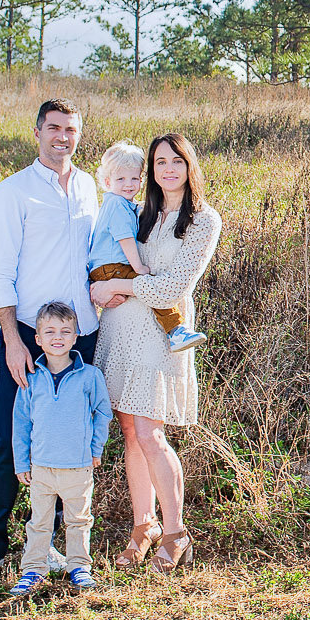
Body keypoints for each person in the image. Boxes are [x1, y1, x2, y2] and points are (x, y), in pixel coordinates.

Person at [0, 98, 99, 585]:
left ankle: (52, 547)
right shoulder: (12, 192)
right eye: (54, 128)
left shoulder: (88, 188)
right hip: (31, 339)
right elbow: (1, 273)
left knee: (68, 444)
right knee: (10, 440)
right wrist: (14, 340)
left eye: (71, 129)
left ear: (79, 135)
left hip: (80, 338)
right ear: (37, 132)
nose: (63, 137)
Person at [89, 132, 224, 575]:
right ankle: (142, 526)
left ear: (190, 167)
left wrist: (118, 286)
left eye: (176, 161)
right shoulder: (139, 213)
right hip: (119, 332)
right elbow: (107, 256)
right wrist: (98, 289)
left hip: (160, 338)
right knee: (130, 432)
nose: (168, 170)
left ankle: (176, 531)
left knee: (150, 432)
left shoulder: (203, 221)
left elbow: (171, 287)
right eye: (159, 162)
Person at [8, 300, 113, 598]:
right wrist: (21, 461)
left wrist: (95, 449)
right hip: (41, 466)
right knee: (38, 521)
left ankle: (79, 566)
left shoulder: (90, 376)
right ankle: (33, 570)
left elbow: (102, 413)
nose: (58, 337)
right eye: (50, 331)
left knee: (79, 519)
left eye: (66, 331)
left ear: (76, 335)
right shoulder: (31, 377)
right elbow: (21, 422)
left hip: (78, 465)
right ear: (38, 338)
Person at [86, 141, 205, 353]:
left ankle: (175, 330)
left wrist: (111, 287)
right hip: (111, 267)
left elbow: (174, 286)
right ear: (107, 181)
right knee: (146, 283)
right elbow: (125, 240)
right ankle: (176, 330)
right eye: (120, 179)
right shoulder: (118, 205)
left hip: (107, 270)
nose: (128, 184)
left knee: (146, 286)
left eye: (134, 178)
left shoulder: (130, 206)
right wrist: (139, 268)